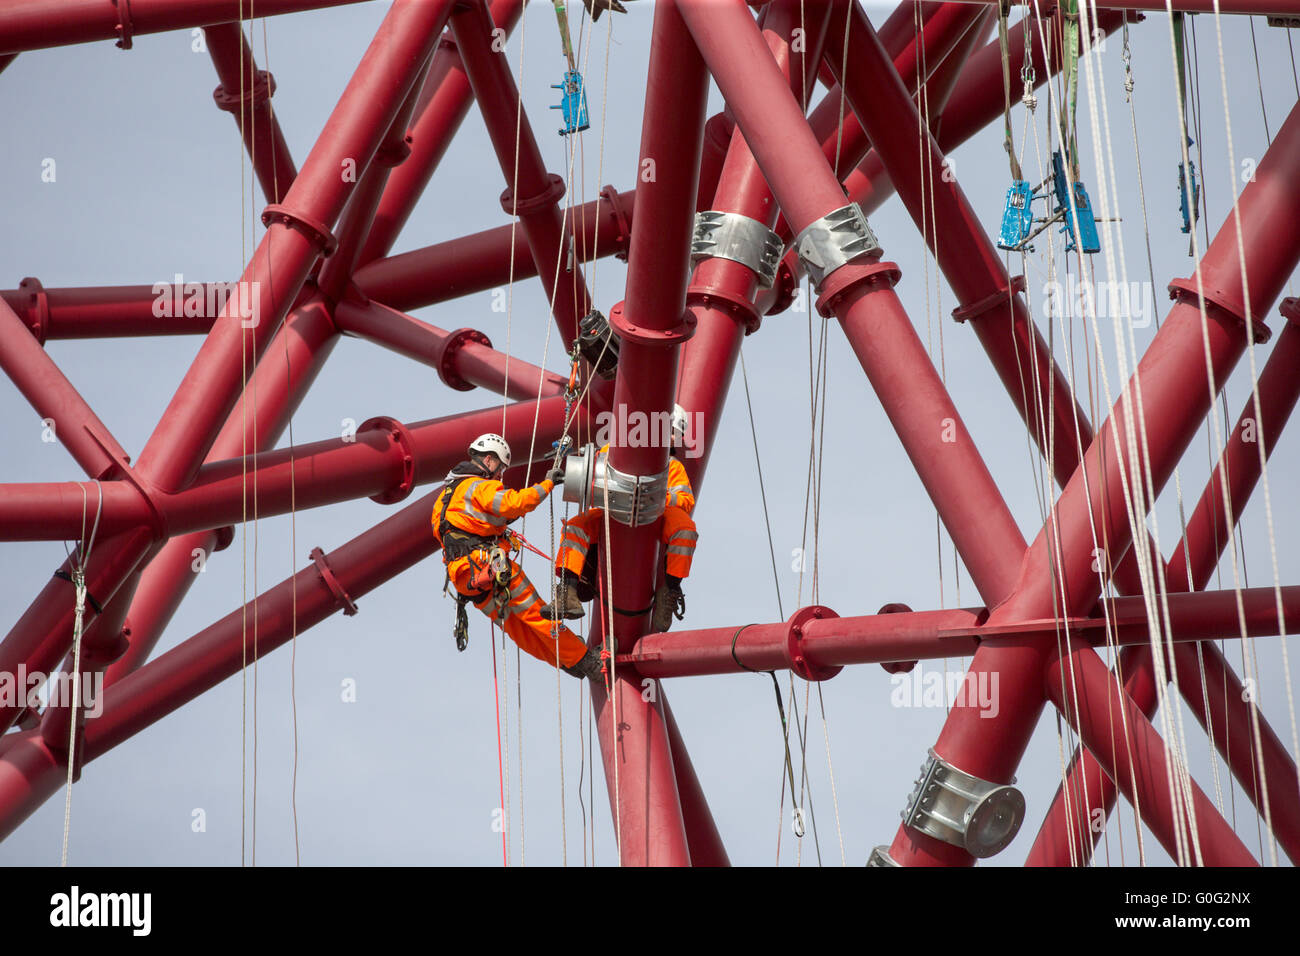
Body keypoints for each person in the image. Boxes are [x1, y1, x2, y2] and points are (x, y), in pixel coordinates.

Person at [432, 433, 604, 681]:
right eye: (500, 467)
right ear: (489, 460)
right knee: (538, 614)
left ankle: (571, 663)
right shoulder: (480, 486)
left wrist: (498, 530)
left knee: (520, 631)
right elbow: (513, 503)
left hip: (466, 579)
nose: (500, 474)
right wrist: (547, 484)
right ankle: (587, 663)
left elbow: (463, 527)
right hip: (488, 564)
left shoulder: (446, 498)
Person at [542, 405, 699, 633]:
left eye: (677, 433)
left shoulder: (674, 467)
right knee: (576, 528)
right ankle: (567, 591)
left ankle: (671, 589)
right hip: (612, 509)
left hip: (658, 515)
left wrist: (657, 496)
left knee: (685, 529)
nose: (674, 437)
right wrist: (569, 463)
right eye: (671, 430)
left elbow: (685, 500)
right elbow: (592, 471)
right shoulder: (614, 449)